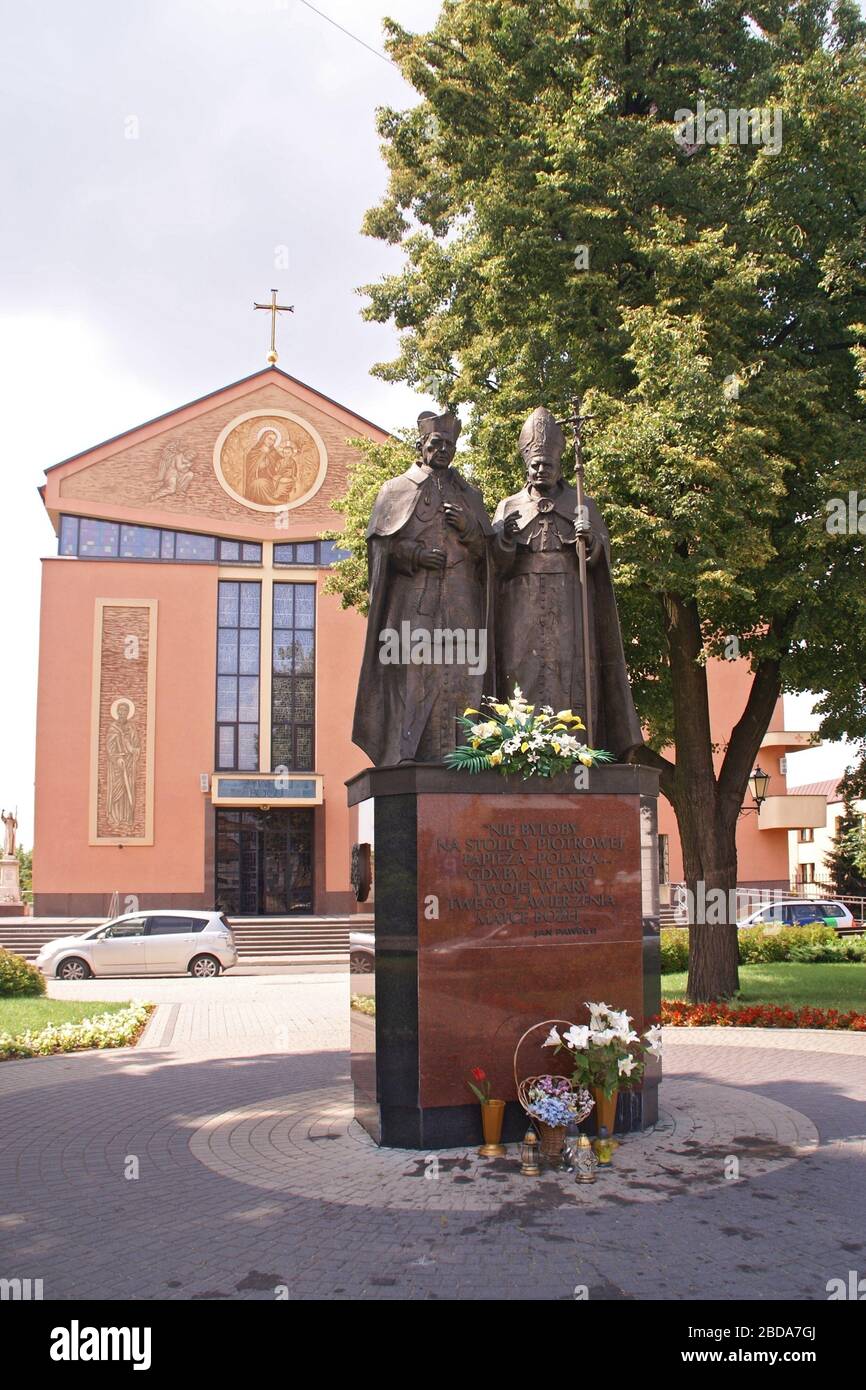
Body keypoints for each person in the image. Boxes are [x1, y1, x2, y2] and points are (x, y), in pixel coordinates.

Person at [491, 406, 642, 759]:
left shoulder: (581, 502)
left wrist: (590, 540)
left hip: (569, 598)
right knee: (522, 670)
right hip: (521, 603)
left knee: (571, 671)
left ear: (559, 464)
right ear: (526, 464)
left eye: (547, 463)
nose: (541, 469)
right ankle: (518, 748)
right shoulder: (508, 505)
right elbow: (494, 565)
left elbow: (598, 557)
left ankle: (576, 750)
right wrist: (504, 538)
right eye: (535, 464)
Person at [353, 410, 494, 765]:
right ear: (421, 446)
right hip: (415, 604)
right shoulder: (396, 489)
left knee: (464, 677)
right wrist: (415, 555)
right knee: (414, 678)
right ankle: (408, 755)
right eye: (436, 443)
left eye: (449, 444)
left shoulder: (469, 494)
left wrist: (470, 529)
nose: (443, 450)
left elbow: (489, 556)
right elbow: (382, 550)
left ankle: (465, 755)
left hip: (462, 604)